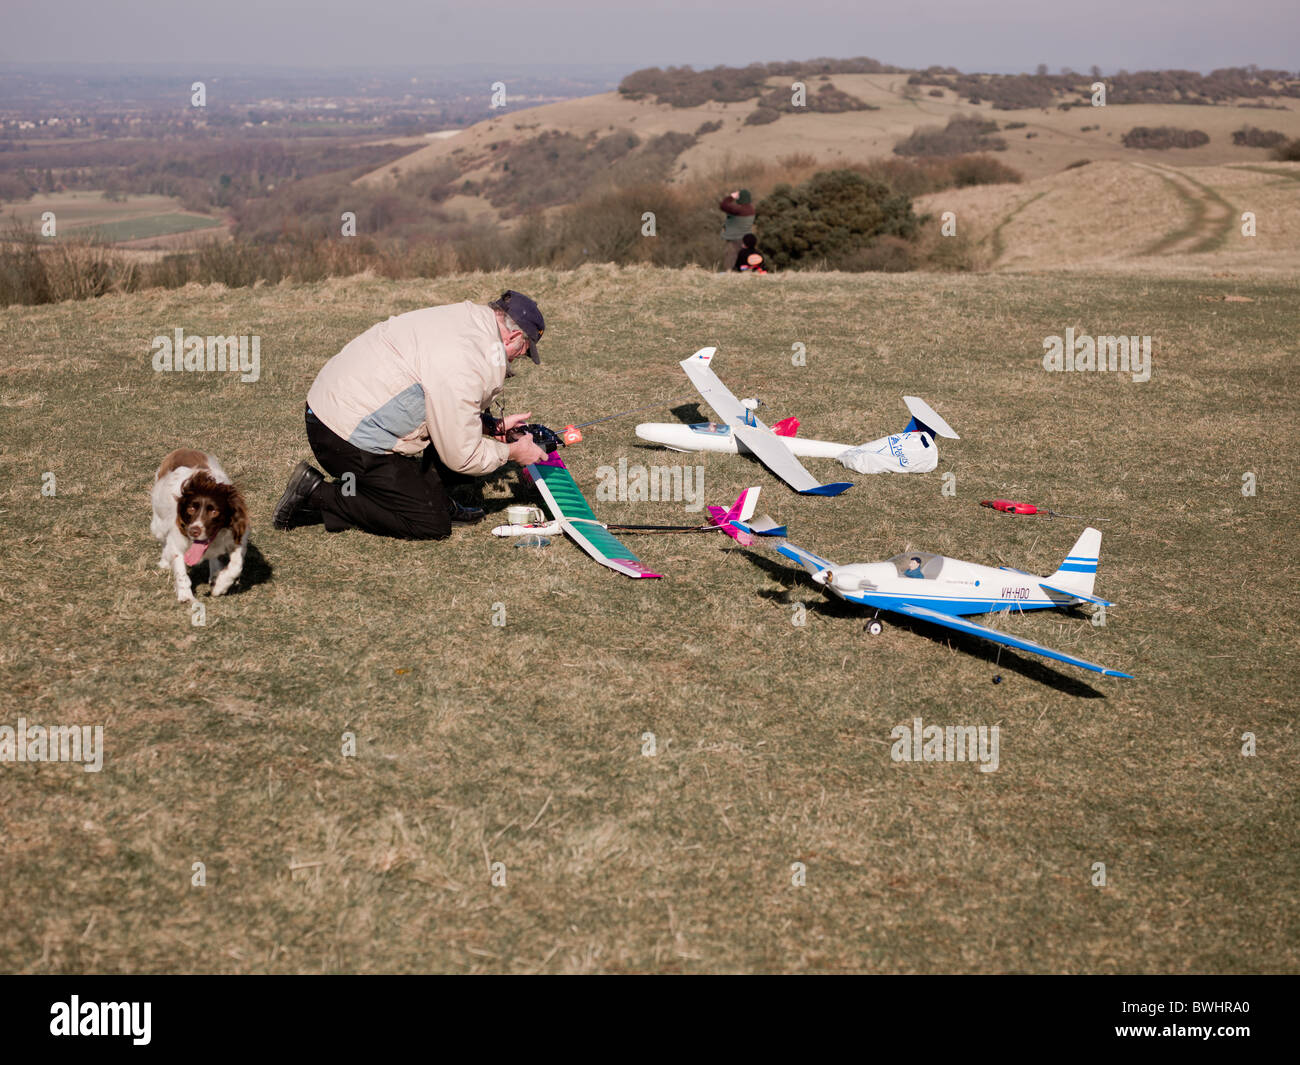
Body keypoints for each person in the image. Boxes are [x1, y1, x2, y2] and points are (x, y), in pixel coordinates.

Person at [272, 290, 549, 540]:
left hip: (334, 407)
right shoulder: (466, 361)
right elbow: (461, 456)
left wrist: (491, 426)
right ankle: (316, 494)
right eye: (523, 352)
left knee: (435, 490)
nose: (516, 359)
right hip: (343, 434)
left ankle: (428, 496)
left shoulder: (468, 319)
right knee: (430, 521)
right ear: (512, 337)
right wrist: (512, 453)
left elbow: (441, 402)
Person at [719, 188, 755, 264]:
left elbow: (723, 205)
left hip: (734, 239)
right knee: (744, 260)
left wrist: (731, 197)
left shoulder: (739, 209)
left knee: (731, 260)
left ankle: (730, 274)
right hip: (746, 238)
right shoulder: (751, 209)